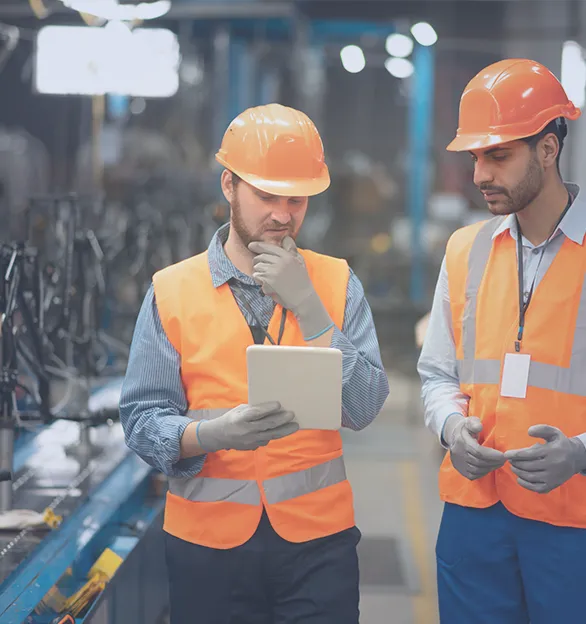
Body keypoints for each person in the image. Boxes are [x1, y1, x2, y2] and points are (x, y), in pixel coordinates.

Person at [119, 102, 389, 624]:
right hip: (207, 548)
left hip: (319, 545)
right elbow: (142, 420)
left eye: (297, 199)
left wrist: (311, 311)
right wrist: (210, 435)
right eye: (267, 195)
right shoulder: (172, 291)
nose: (283, 214)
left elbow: (363, 407)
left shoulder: (335, 283)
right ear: (229, 187)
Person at [418, 58, 586, 624]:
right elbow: (438, 375)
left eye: (498, 155)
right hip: (473, 517)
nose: (480, 175)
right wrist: (450, 428)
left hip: (573, 522)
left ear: (547, 148)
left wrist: (581, 454)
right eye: (476, 158)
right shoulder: (465, 251)